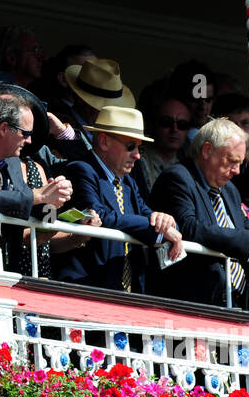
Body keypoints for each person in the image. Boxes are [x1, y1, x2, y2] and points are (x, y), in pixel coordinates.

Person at [148, 117, 249, 308]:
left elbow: (246, 231)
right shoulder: (177, 179)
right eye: (232, 161)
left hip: (234, 303)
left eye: (240, 163)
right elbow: (189, 228)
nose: (237, 171)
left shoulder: (229, 190)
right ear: (207, 150)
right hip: (190, 303)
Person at [54, 106, 184, 292]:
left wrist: (166, 222)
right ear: (104, 142)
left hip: (125, 291)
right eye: (130, 146)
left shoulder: (128, 182)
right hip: (86, 288)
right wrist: (156, 227)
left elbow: (147, 215)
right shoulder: (81, 169)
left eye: (140, 148)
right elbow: (100, 216)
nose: (137, 155)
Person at [0, 86, 91, 278]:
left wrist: (53, 203)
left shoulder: (20, 163)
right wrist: (40, 195)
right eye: (25, 133)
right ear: (3, 128)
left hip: (19, 270)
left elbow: (40, 223)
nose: (28, 140)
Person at [133, 96, 190, 208]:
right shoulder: (136, 159)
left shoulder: (189, 163)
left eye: (182, 124)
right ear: (152, 124)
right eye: (166, 122)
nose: (174, 129)